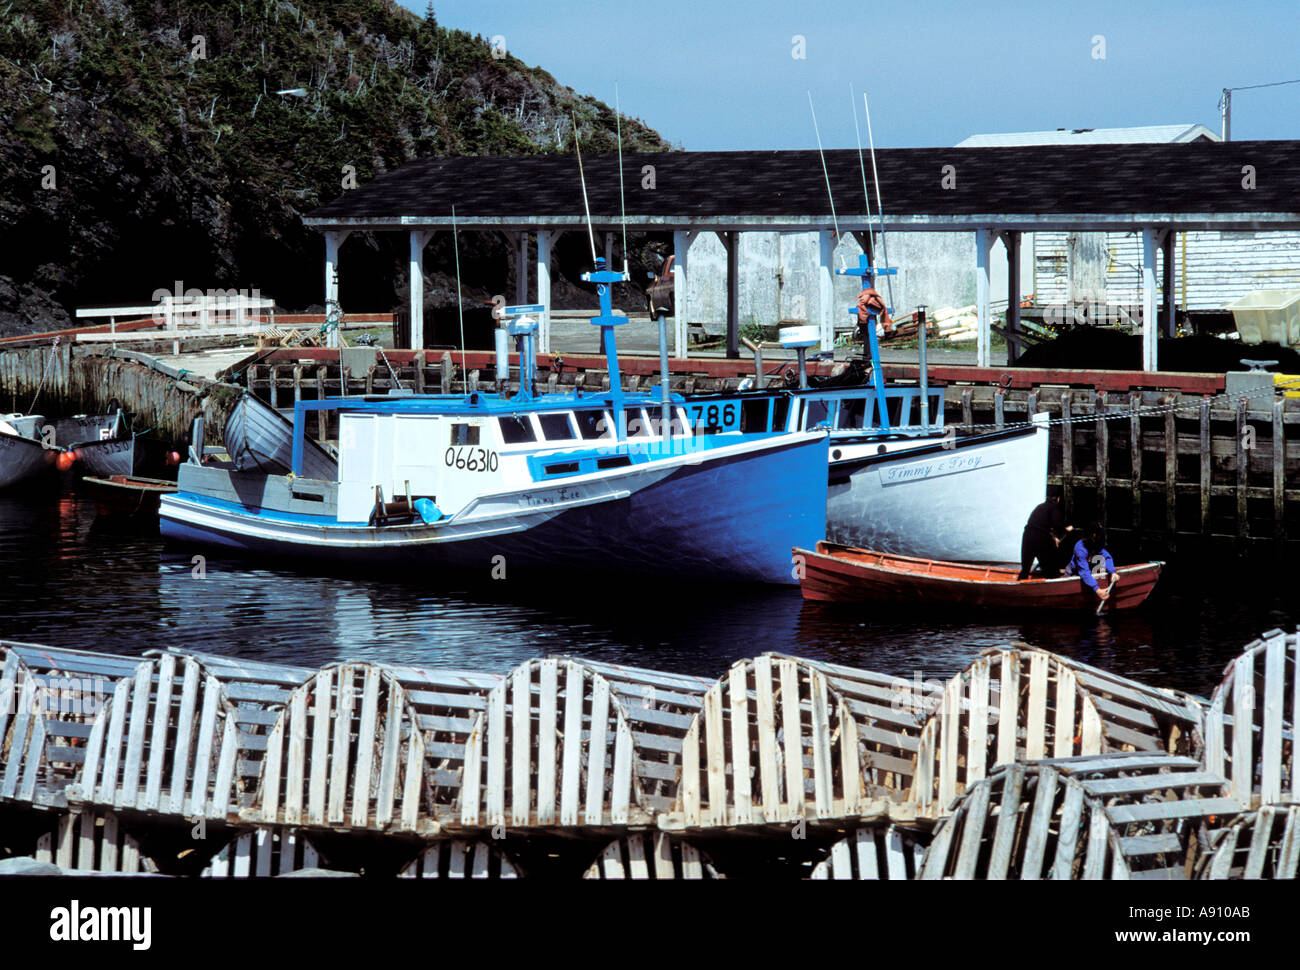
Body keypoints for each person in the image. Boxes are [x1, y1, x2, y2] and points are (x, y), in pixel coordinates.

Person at [1017, 488, 1066, 580]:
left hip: (1027, 536)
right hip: (1040, 538)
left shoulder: (1039, 507)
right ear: (1058, 499)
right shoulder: (1054, 507)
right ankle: (1052, 581)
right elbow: (1057, 525)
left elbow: (1041, 524)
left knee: (1025, 568)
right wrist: (1066, 529)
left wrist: (1053, 537)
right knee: (1050, 569)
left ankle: (1020, 584)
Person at [1066, 521, 1117, 602]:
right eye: (1100, 534)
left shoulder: (1096, 543)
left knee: (1099, 562)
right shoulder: (1080, 549)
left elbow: (1107, 557)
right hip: (1074, 572)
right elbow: (1084, 572)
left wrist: (1113, 572)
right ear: (1094, 535)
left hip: (1089, 569)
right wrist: (1097, 590)